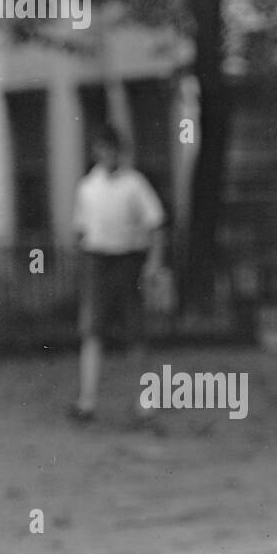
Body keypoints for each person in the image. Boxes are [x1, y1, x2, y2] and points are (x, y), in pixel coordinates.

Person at [71, 123, 167, 423]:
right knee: (92, 331)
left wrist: (153, 263)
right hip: (98, 263)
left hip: (128, 262)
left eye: (113, 148)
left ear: (120, 151)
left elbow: (156, 225)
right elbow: (80, 231)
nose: (107, 154)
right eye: (102, 148)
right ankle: (87, 402)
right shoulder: (87, 187)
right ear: (96, 151)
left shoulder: (135, 184)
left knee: (136, 334)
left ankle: (146, 402)